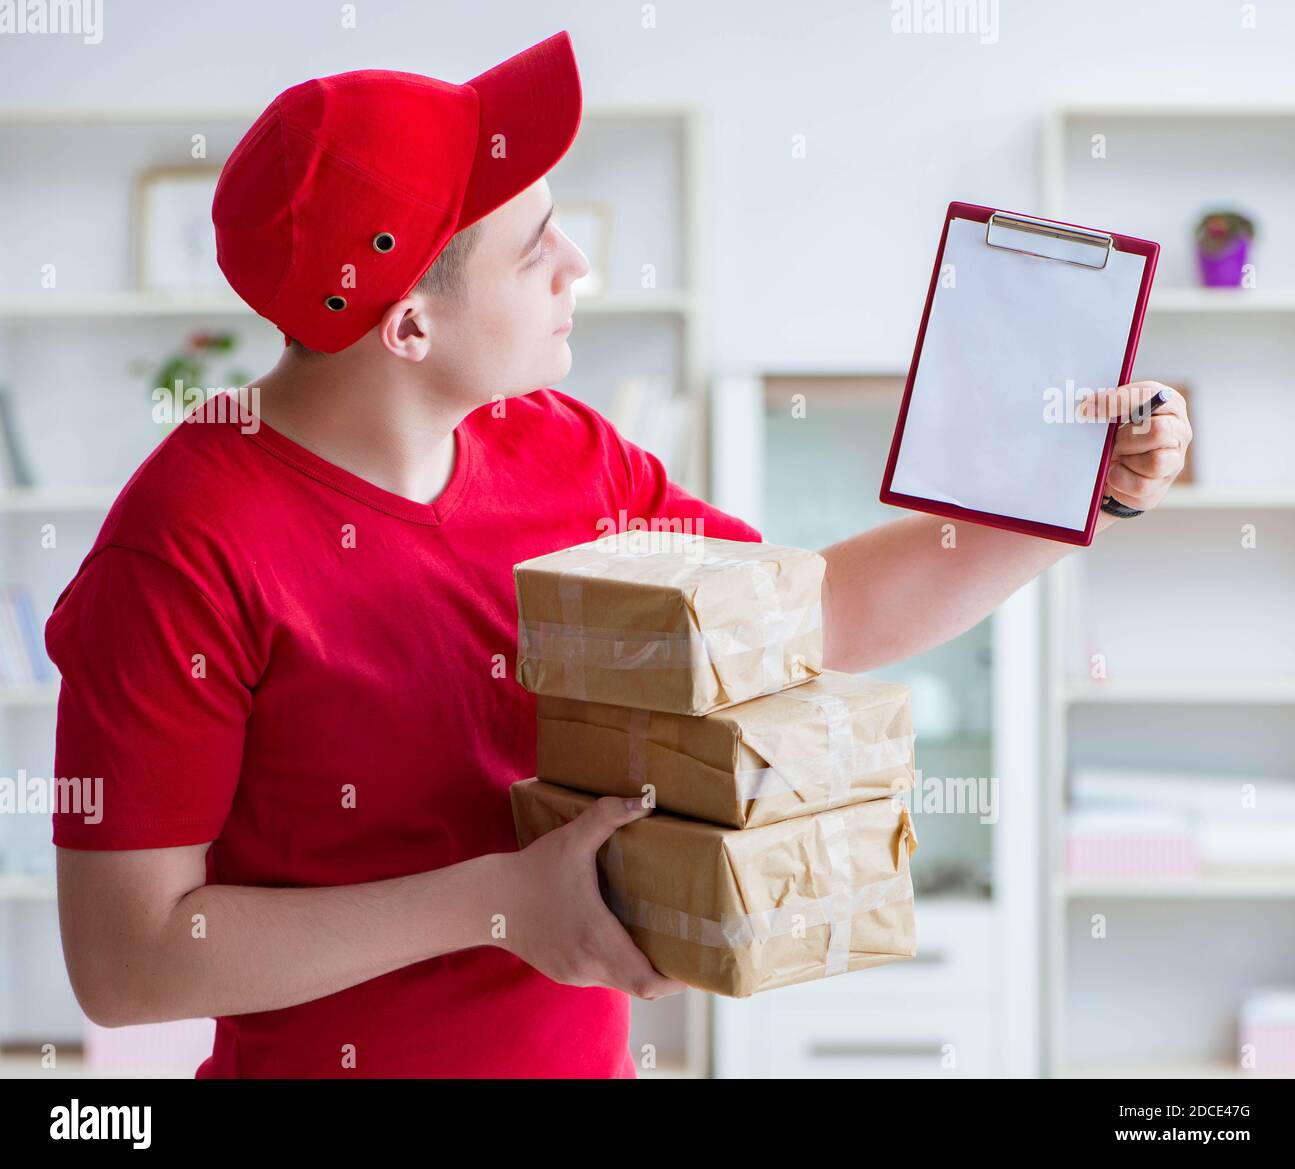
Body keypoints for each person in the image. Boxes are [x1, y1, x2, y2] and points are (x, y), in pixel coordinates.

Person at [45, 31, 1191, 1079]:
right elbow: (131, 958)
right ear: (408, 325)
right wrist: (495, 904)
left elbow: (812, 613)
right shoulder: (178, 550)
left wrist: (1063, 496)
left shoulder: (561, 451)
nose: (577, 265)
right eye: (536, 247)